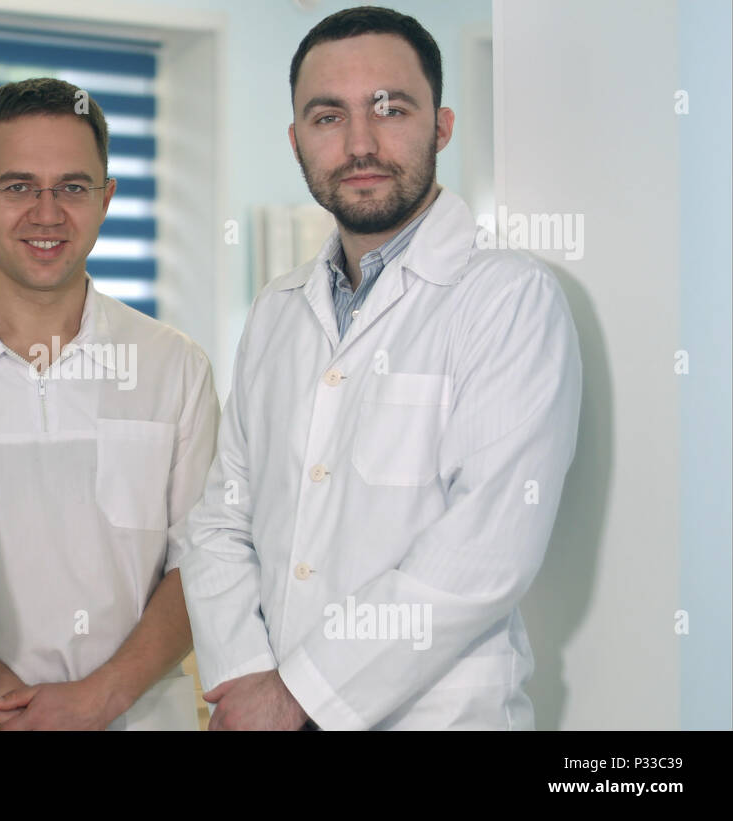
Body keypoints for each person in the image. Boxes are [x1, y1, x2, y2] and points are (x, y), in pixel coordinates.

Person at [180, 6, 582, 730]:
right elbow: (220, 518)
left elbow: (484, 553)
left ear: (442, 125)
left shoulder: (508, 298)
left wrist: (294, 695)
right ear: (298, 140)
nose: (360, 143)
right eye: (328, 116)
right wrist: (245, 676)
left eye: (390, 108)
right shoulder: (276, 310)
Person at [0, 78, 220, 730]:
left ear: (107, 198)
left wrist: (101, 697)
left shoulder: (174, 367)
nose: (48, 211)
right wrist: (0, 695)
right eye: (19, 186)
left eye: (73, 186)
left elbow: (201, 563)